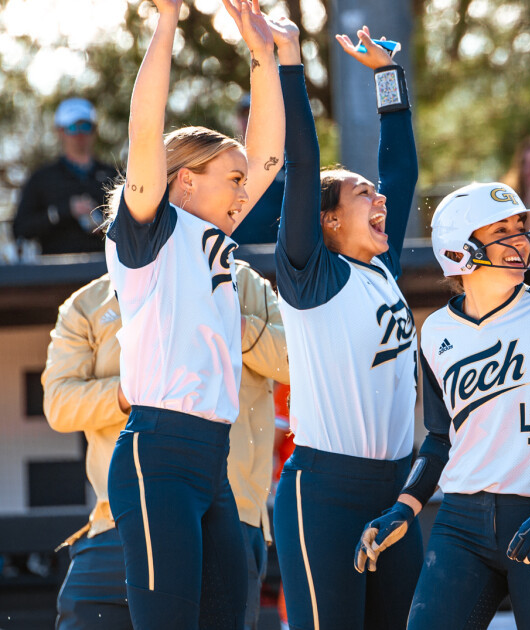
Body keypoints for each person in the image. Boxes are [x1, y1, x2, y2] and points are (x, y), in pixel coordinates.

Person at [100, 0, 287, 626]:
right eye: (231, 179)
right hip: (157, 454)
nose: (245, 190)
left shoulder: (218, 243)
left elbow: (269, 154)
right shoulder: (150, 230)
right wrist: (168, 19)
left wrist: (263, 55)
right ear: (183, 180)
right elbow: (145, 128)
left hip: (214, 461)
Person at [357, 181, 530, 629]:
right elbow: (440, 440)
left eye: (521, 227)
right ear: (459, 249)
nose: (521, 239)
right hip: (460, 522)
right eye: (503, 230)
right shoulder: (435, 331)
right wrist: (404, 507)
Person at [270, 27, 423, 630]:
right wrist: (291, 62)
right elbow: (304, 165)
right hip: (325, 492)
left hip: (394, 492)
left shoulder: (381, 270)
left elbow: (401, 168)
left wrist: (388, 76)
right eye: (364, 195)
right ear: (328, 219)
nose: (381, 199)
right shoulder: (311, 273)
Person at [44, 261, 288, 630]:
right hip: (117, 523)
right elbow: (58, 405)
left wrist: (230, 322)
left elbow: (299, 361)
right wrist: (130, 391)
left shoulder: (241, 280)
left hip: (224, 516)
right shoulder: (87, 302)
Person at [14, 97, 119, 254]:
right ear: (60, 131)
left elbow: (133, 226)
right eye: (72, 127)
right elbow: (21, 228)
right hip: (56, 272)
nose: (79, 134)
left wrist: (103, 224)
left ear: (94, 130)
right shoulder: (42, 178)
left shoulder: (113, 175)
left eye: (85, 126)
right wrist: (61, 212)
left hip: (105, 268)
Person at [232, 94, 286, 245]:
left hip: (276, 262)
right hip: (233, 260)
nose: (249, 120)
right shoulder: (224, 163)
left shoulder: (291, 164)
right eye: (245, 114)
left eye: (255, 114)